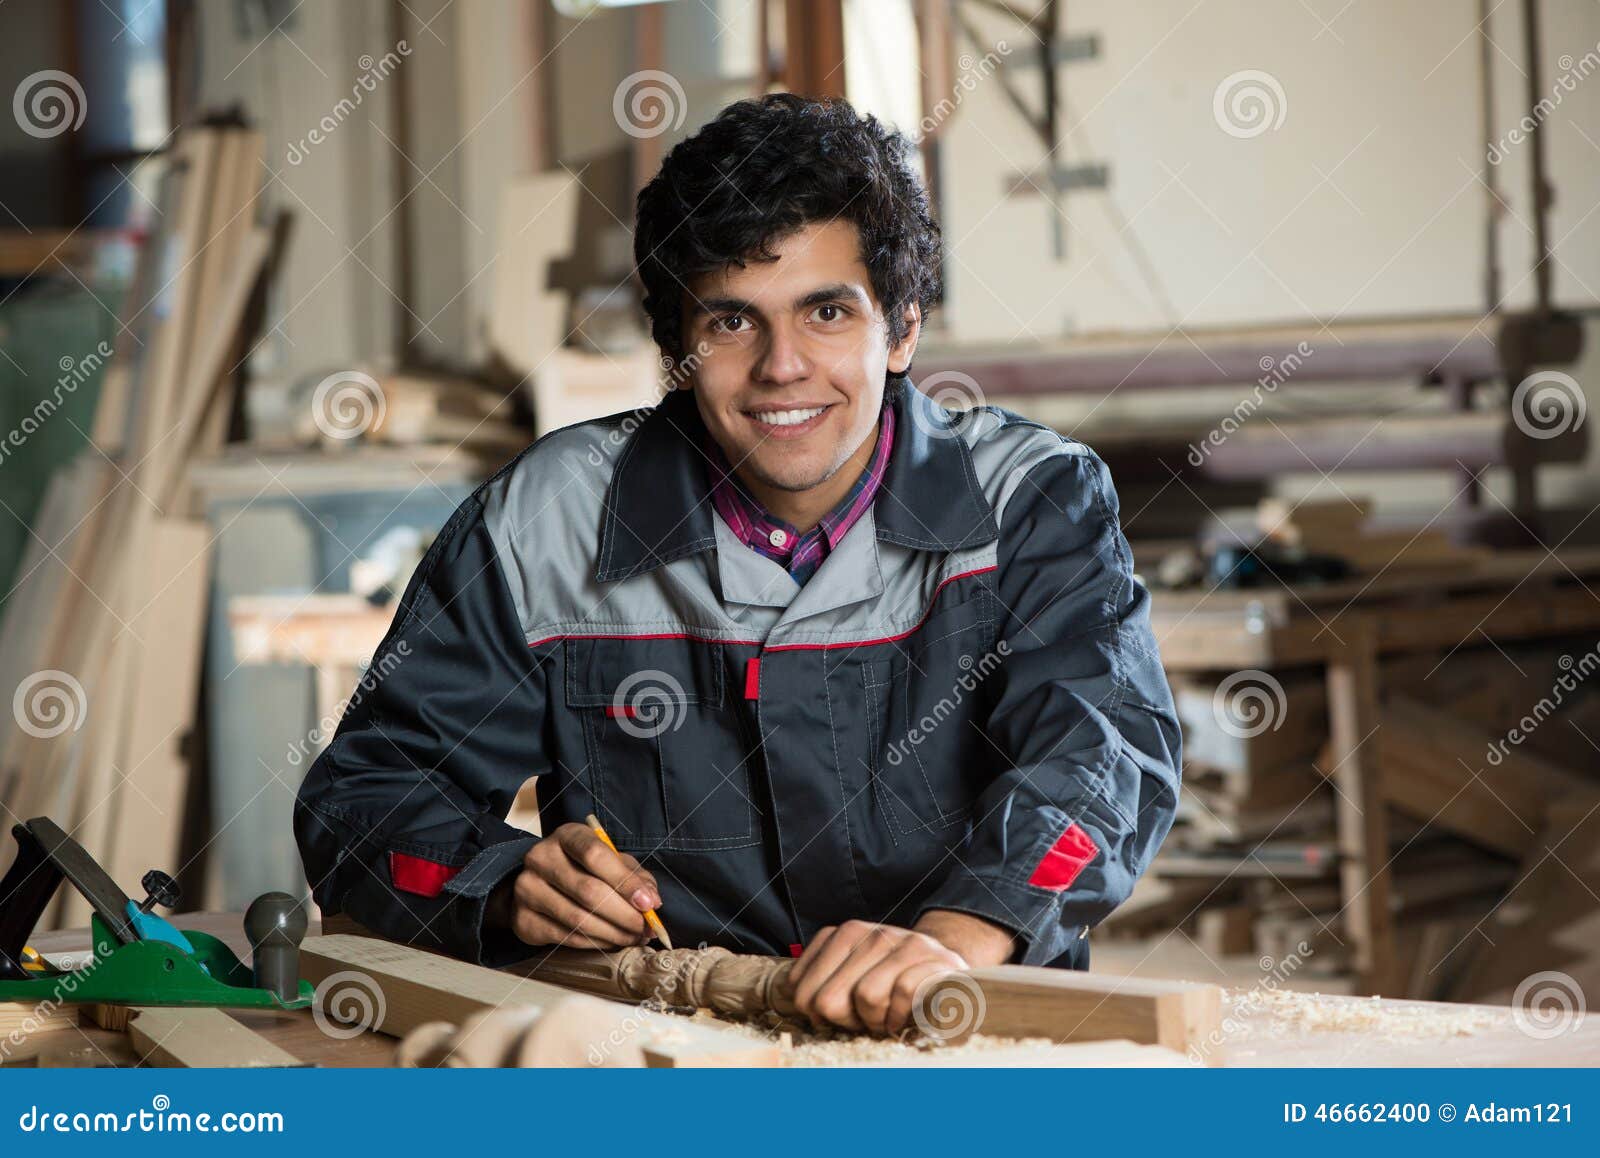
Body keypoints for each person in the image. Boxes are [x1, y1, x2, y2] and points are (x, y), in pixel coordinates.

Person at [294, 93, 1181, 1036]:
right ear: (677, 348)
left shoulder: (1029, 500)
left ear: (903, 331)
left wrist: (956, 941)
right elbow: (364, 799)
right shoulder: (545, 520)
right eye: (731, 322)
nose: (781, 366)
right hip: (664, 1060)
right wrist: (504, 882)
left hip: (964, 1042)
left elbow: (1104, 758)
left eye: (827, 311)